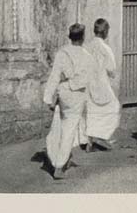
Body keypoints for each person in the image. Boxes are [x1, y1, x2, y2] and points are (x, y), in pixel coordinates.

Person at [43, 23, 98, 179]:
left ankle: (65, 157)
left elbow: (54, 76)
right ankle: (59, 166)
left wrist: (48, 97)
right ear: (82, 37)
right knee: (69, 129)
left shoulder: (62, 53)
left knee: (62, 125)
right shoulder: (87, 56)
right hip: (77, 94)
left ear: (70, 37)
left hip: (63, 91)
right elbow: (91, 80)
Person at [81, 18, 121, 152]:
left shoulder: (87, 47)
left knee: (92, 111)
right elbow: (111, 69)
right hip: (101, 82)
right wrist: (111, 74)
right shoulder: (105, 48)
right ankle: (103, 136)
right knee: (113, 108)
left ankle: (90, 141)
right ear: (105, 32)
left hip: (89, 83)